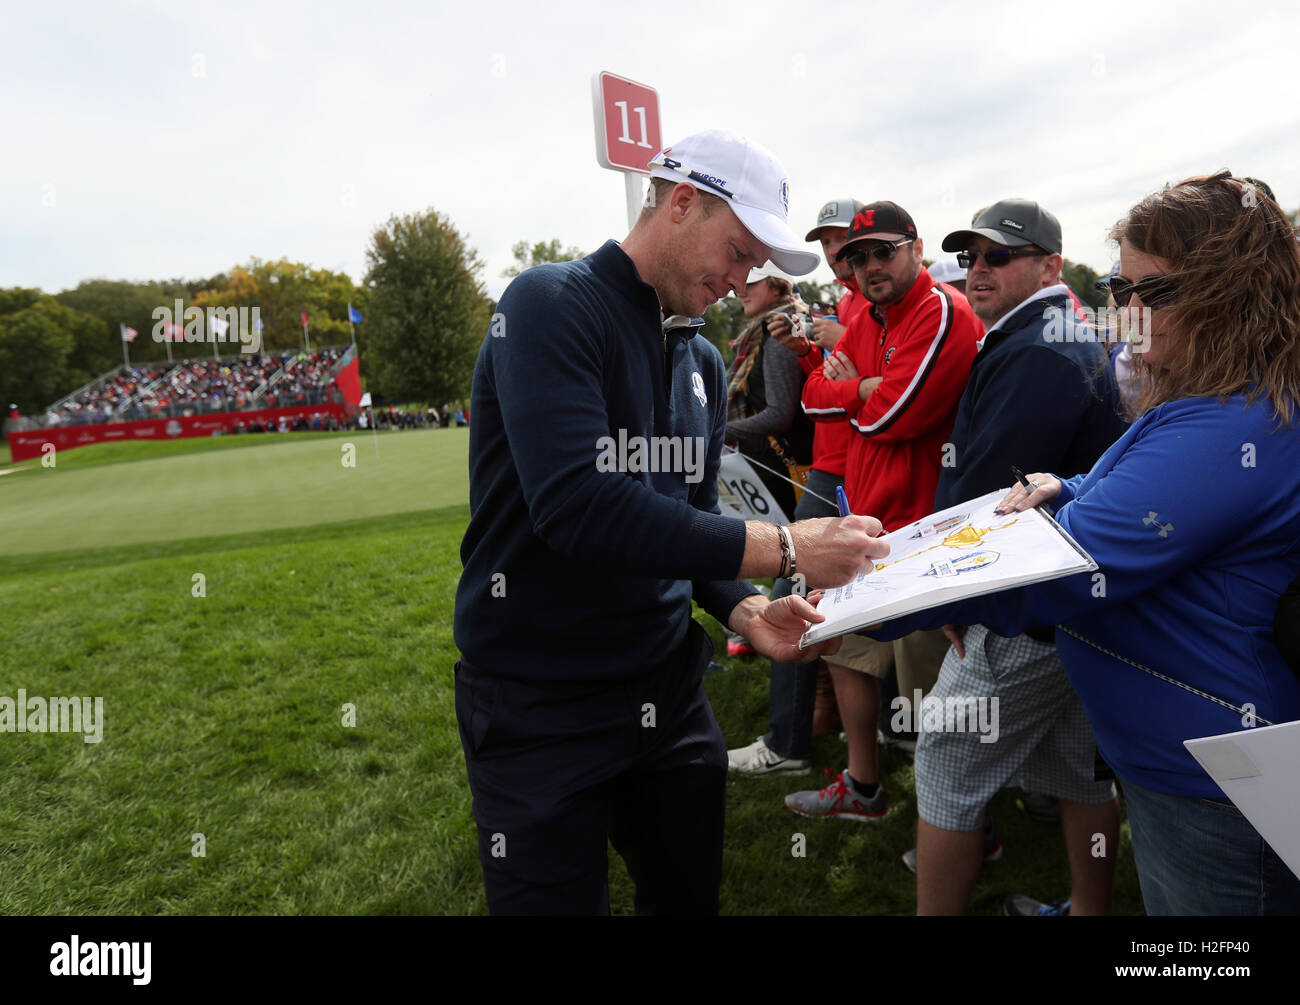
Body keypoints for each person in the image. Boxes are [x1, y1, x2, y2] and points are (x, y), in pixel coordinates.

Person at [452, 129, 889, 915]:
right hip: (539, 698)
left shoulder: (703, 359)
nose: (741, 277)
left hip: (665, 689)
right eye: (738, 249)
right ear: (681, 202)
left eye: (755, 263)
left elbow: (686, 517)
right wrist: (785, 546)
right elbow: (578, 505)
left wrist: (743, 606)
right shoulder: (549, 303)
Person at [867, 170, 1300, 915]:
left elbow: (1065, 568)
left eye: (1154, 291)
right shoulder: (1213, 396)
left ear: (1235, 290)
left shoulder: (1238, 424)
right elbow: (1110, 475)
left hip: (1216, 778)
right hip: (1186, 764)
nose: (1128, 309)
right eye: (1119, 286)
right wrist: (1066, 486)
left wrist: (874, 599)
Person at [900, 199, 1128, 916]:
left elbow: (991, 493)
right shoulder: (1047, 331)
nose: (978, 269)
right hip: (1074, 601)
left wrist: (953, 598)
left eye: (998, 254)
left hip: (1024, 604)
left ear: (1049, 263)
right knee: (1079, 771)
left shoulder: (1040, 344)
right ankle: (1089, 909)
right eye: (971, 257)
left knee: (943, 757)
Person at [785, 201, 982, 821]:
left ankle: (964, 826)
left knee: (935, 705)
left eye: (883, 251)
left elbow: (892, 417)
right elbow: (814, 401)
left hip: (926, 531)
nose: (869, 265)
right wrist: (858, 389)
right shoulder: (869, 317)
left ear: (916, 248)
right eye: (857, 256)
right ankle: (864, 788)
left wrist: (862, 393)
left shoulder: (939, 309)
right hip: (867, 524)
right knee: (848, 654)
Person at [728, 198, 868, 775]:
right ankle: (823, 724)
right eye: (828, 242)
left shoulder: (855, 309)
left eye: (847, 243)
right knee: (818, 589)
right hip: (832, 463)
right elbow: (825, 393)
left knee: (797, 579)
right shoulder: (840, 308)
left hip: (826, 468)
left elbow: (802, 406)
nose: (835, 252)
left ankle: (791, 743)